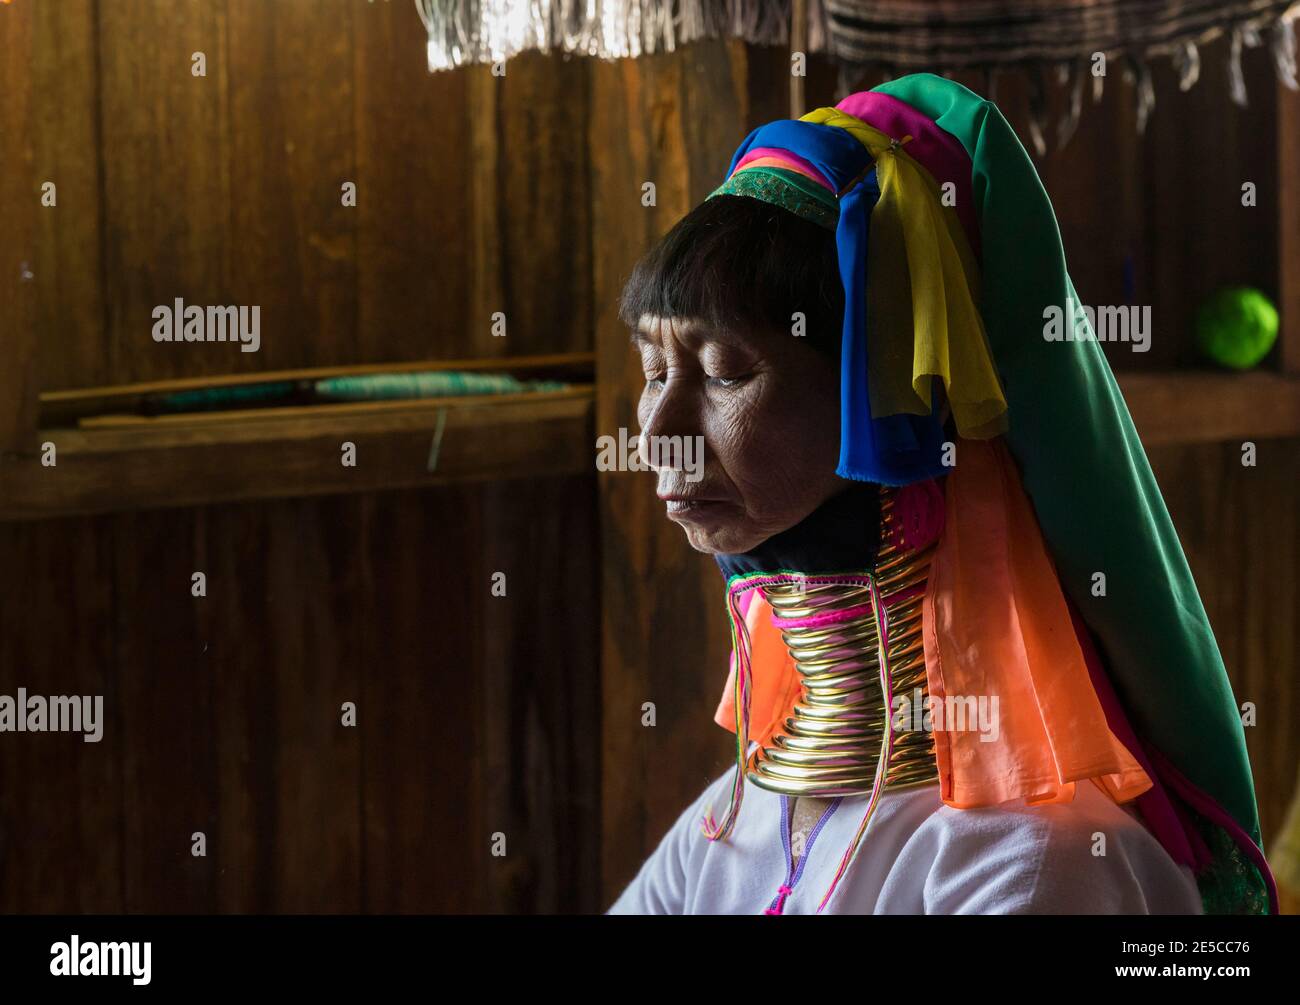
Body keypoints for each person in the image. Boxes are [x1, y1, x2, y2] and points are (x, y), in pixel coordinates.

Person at [606, 73, 1275, 915]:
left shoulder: (1036, 865)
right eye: (653, 370)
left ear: (889, 398)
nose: (658, 429)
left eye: (726, 371)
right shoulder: (733, 823)